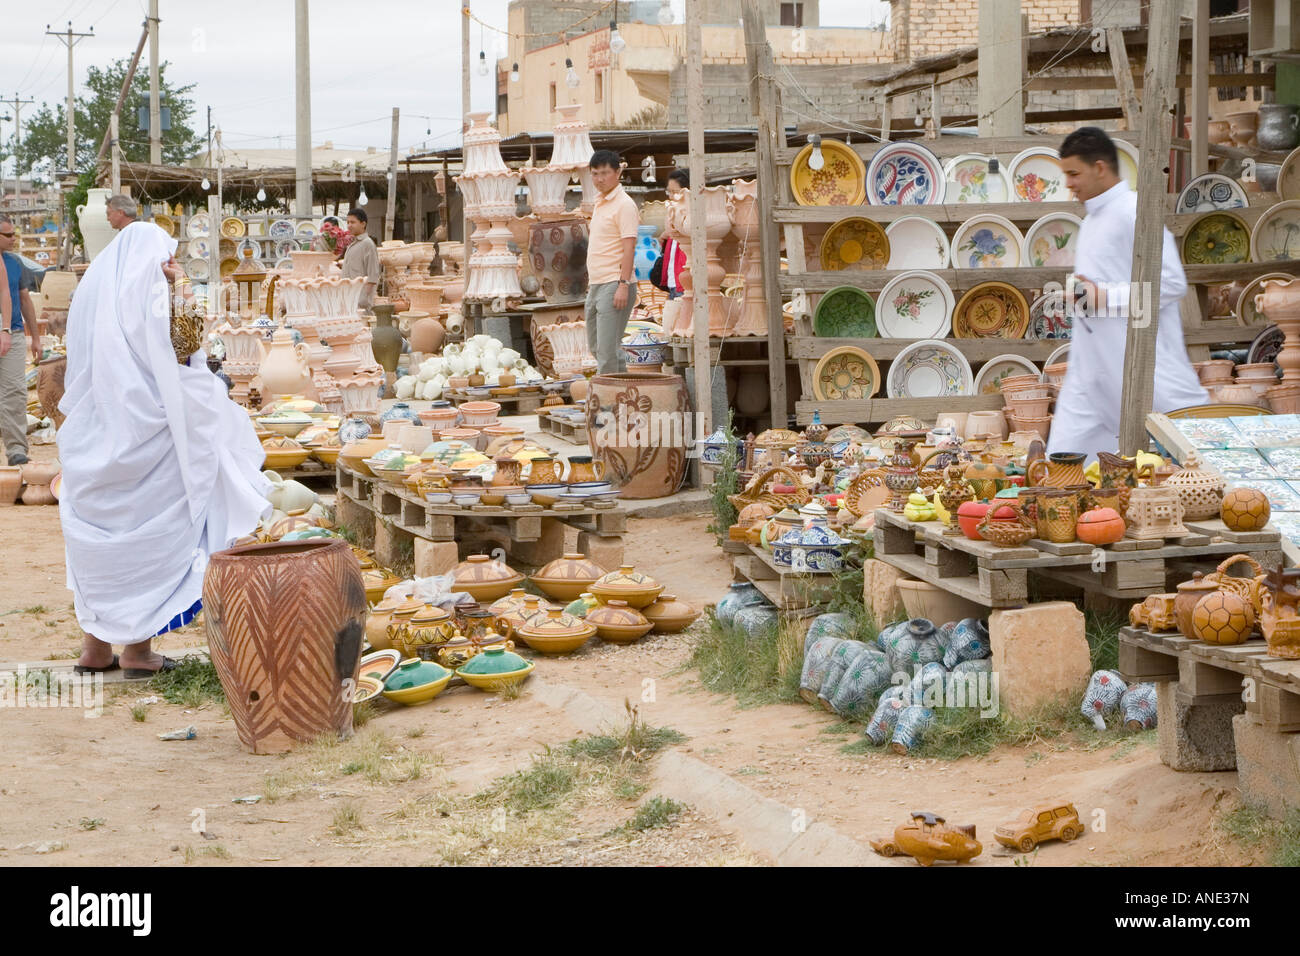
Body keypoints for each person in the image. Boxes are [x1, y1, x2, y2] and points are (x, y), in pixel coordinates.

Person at [59, 221, 270, 677]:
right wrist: (181, 289)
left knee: (102, 535)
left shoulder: (101, 303)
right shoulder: (159, 296)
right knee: (145, 532)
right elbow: (186, 345)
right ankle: (136, 652)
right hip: (153, 424)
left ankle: (94, 650)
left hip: (97, 423)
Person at [1047, 127, 1207, 460]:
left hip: (1146, 374)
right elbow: (1098, 288)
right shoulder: (1091, 221)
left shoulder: (1132, 211)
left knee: (1199, 460)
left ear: (1100, 168)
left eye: (1074, 173)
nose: (1069, 184)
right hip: (1091, 377)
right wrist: (1082, 295)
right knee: (1062, 467)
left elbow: (1173, 282)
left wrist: (1104, 297)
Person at [585, 149, 639, 373]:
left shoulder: (624, 205)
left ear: (618, 172)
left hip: (615, 283)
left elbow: (629, 248)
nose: (599, 179)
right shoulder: (600, 202)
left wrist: (623, 285)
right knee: (597, 347)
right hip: (596, 283)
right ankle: (622, 396)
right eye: (595, 173)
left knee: (607, 352)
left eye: (605, 173)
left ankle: (607, 404)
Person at [0, 215, 36, 464]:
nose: (14, 239)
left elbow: (24, 299)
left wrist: (35, 336)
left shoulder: (14, 263)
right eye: (8, 235)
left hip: (11, 334)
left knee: (14, 391)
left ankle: (16, 450)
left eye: (14, 234)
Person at [341, 206, 379, 311]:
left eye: (353, 222)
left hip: (360, 304)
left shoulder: (368, 244)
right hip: (348, 299)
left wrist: (362, 300)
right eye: (348, 222)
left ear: (363, 224)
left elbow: (373, 275)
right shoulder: (353, 244)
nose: (349, 225)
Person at [660, 169, 689, 299]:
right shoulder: (673, 215)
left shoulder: (689, 217)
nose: (670, 196)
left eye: (675, 192)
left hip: (684, 280)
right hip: (674, 280)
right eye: (669, 191)